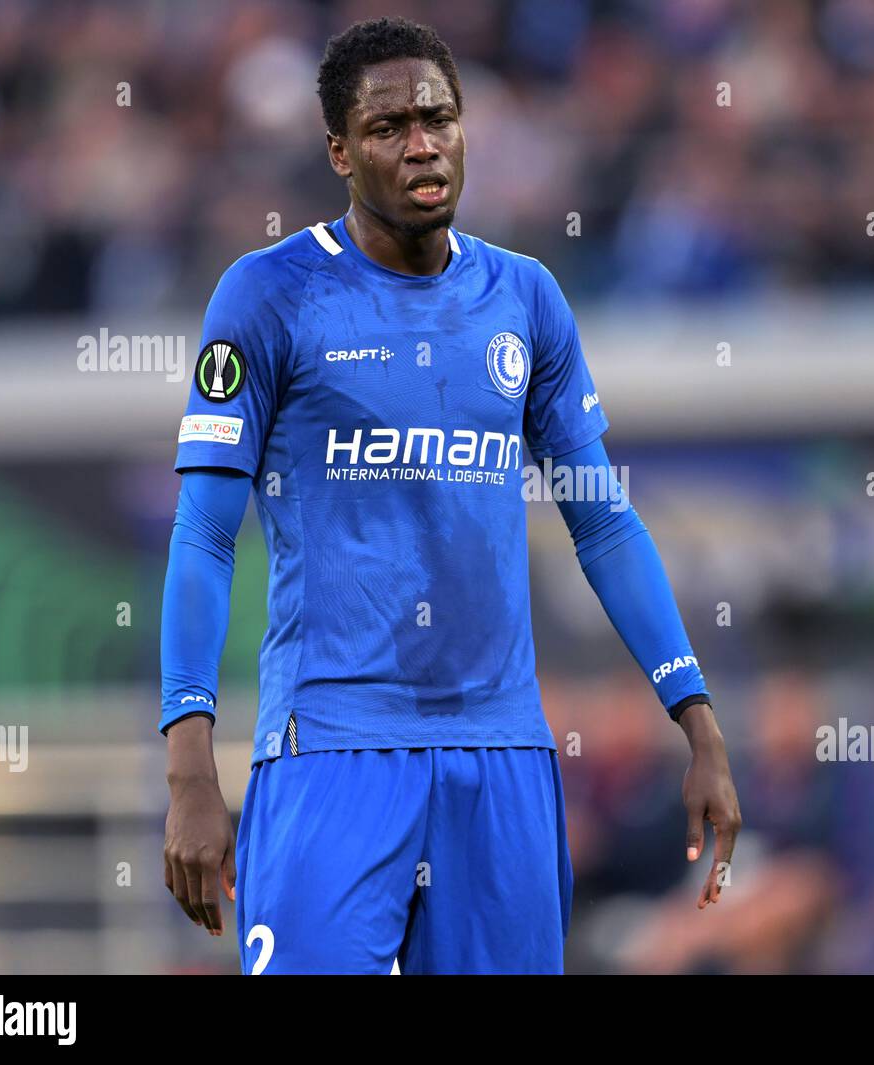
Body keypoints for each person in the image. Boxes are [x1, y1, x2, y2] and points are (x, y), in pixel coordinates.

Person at [157, 16, 740, 975]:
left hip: (502, 754)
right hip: (331, 747)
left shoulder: (525, 297)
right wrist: (189, 769)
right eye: (388, 128)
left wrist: (696, 715)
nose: (422, 144)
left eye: (439, 118)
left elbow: (603, 522)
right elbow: (204, 537)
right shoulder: (267, 295)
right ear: (340, 152)